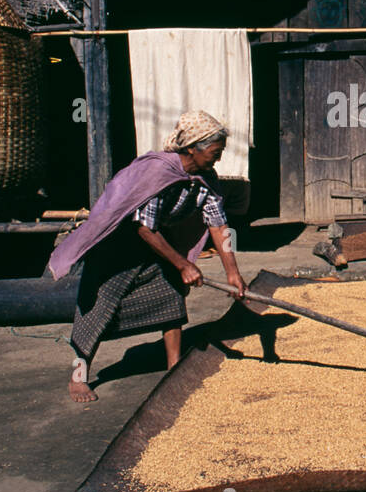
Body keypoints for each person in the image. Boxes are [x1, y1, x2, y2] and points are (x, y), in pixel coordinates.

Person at [46, 110, 247, 403]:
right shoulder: (157, 172)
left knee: (170, 296)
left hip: (157, 244)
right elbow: (143, 227)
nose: (218, 158)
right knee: (96, 309)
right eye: (215, 152)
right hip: (118, 246)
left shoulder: (207, 178)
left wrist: (233, 272)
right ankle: (78, 376)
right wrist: (183, 263)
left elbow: (218, 224)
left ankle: (174, 368)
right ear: (192, 148)